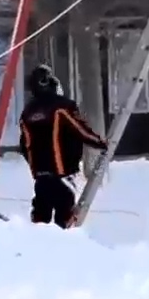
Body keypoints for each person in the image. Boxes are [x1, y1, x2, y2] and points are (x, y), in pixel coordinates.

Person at [18, 64, 107, 227]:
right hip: (62, 174)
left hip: (41, 176)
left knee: (40, 218)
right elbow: (81, 130)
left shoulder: (27, 112)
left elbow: (24, 145)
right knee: (64, 219)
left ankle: (34, 248)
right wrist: (101, 143)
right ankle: (64, 248)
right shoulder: (62, 107)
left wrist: (37, 166)